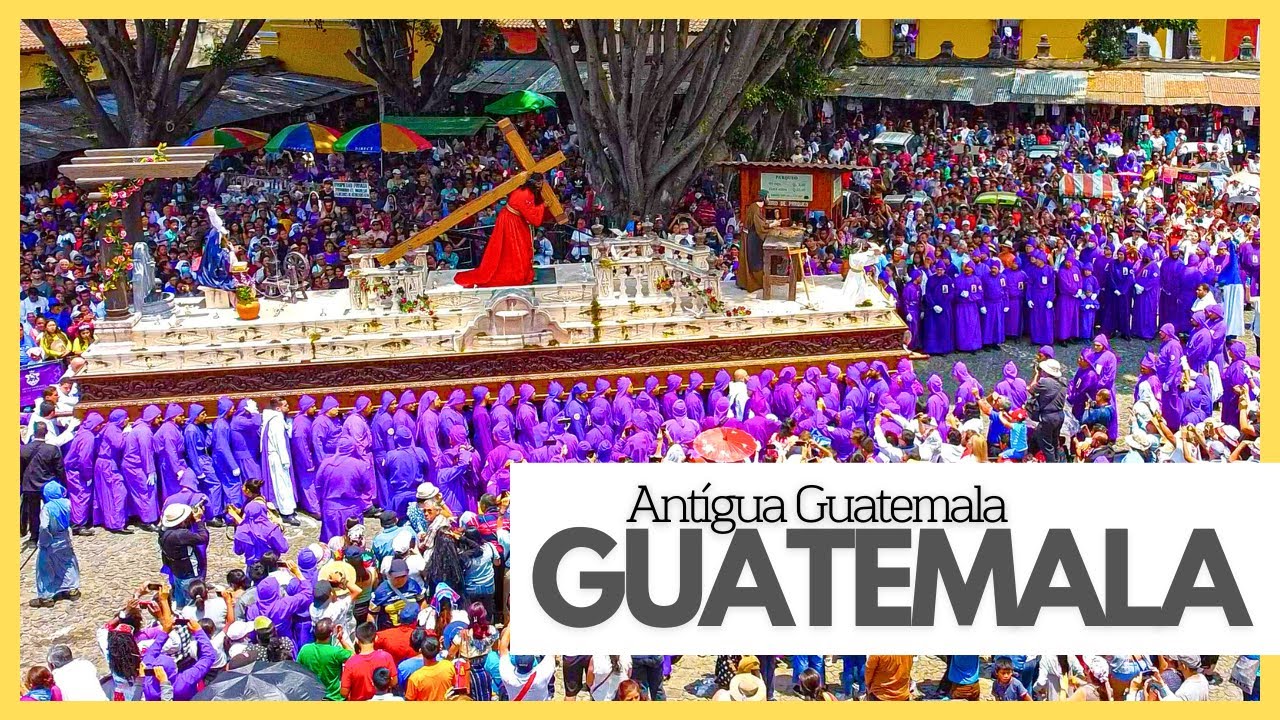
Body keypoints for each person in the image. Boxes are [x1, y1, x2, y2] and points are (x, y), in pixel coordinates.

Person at [453, 174, 548, 288]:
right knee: (516, 249)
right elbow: (535, 219)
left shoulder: (523, 190)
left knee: (509, 249)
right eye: (541, 183)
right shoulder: (526, 195)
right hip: (512, 223)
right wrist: (542, 206)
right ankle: (518, 273)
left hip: (511, 218)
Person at [29, 480, 79, 608]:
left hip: (51, 541)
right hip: (65, 539)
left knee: (45, 568)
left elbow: (45, 527)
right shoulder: (67, 503)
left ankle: (46, 597)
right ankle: (72, 589)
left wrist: (43, 541)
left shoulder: (47, 508)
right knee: (68, 564)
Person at [20, 423, 64, 548]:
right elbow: (59, 469)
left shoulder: (23, 449)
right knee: (52, 510)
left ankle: (34, 538)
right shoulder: (51, 449)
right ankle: (53, 533)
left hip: (30, 485)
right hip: (48, 485)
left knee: (33, 512)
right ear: (46, 433)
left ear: (33, 433)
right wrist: (63, 484)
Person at [158, 502, 210, 606]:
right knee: (191, 602)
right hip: (189, 573)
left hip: (176, 570)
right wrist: (199, 520)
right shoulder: (181, 534)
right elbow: (203, 537)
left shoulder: (163, 531)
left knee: (179, 598)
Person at [296, 618, 355, 701]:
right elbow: (354, 657)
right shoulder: (336, 652)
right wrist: (341, 640)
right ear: (331, 634)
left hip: (312, 696)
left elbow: (297, 670)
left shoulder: (305, 649)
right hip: (334, 698)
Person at [340, 621, 398, 701]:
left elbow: (344, 692)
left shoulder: (351, 663)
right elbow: (394, 682)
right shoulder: (386, 657)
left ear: (357, 640)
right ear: (376, 638)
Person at [735, 189, 772, 294]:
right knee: (754, 260)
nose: (769, 199)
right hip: (752, 237)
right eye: (768, 197)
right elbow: (760, 226)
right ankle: (754, 283)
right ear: (764, 198)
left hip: (753, 235)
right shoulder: (755, 209)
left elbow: (759, 222)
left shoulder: (757, 208)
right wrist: (771, 225)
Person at [405, 634, 455, 700]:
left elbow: (409, 700)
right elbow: (454, 686)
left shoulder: (415, 678)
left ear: (421, 651)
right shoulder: (448, 666)